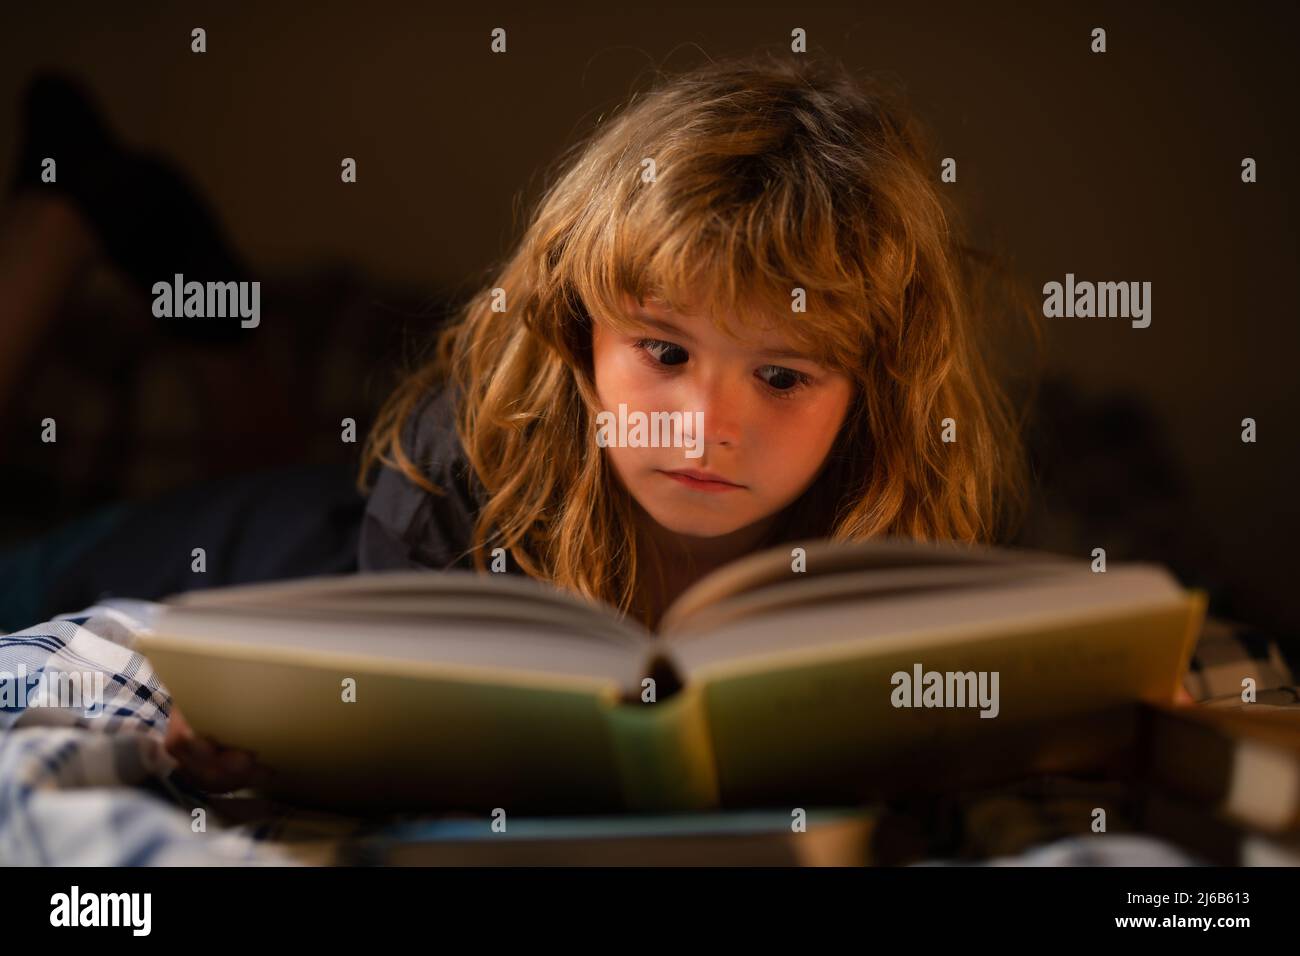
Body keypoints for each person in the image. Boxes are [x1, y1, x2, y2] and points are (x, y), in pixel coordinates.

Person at [170, 53, 1057, 789]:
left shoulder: (914, 512)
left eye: (782, 375)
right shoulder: (455, 469)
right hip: (252, 539)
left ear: (873, 394)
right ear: (577, 326)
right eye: (665, 353)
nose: (703, 429)